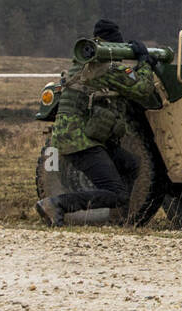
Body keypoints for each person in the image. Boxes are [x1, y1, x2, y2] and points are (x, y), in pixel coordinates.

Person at [35, 19, 165, 226]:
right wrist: (145, 63)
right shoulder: (104, 69)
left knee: (131, 164)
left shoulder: (84, 63)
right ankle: (56, 204)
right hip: (79, 141)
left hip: (84, 136)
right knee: (116, 192)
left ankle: (122, 217)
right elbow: (142, 89)